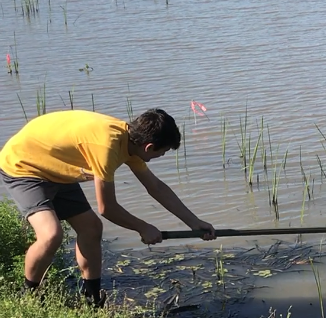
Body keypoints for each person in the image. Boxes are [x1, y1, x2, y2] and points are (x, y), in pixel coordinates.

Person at [0, 107, 215, 306]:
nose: (161, 156)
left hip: (57, 166)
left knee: (91, 228)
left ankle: (92, 298)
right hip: (23, 166)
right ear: (149, 147)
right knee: (51, 235)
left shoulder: (131, 142)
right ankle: (29, 296)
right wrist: (143, 227)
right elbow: (107, 208)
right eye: (163, 152)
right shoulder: (106, 147)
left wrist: (194, 223)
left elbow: (156, 187)